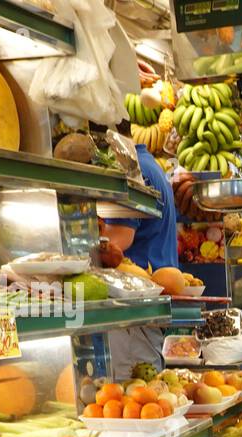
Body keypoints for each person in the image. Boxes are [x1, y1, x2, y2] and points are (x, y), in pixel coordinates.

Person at [100, 125, 179, 377]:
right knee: (145, 386)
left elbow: (119, 239)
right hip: (148, 305)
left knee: (134, 387)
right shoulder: (149, 164)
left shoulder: (133, 169)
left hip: (134, 310)